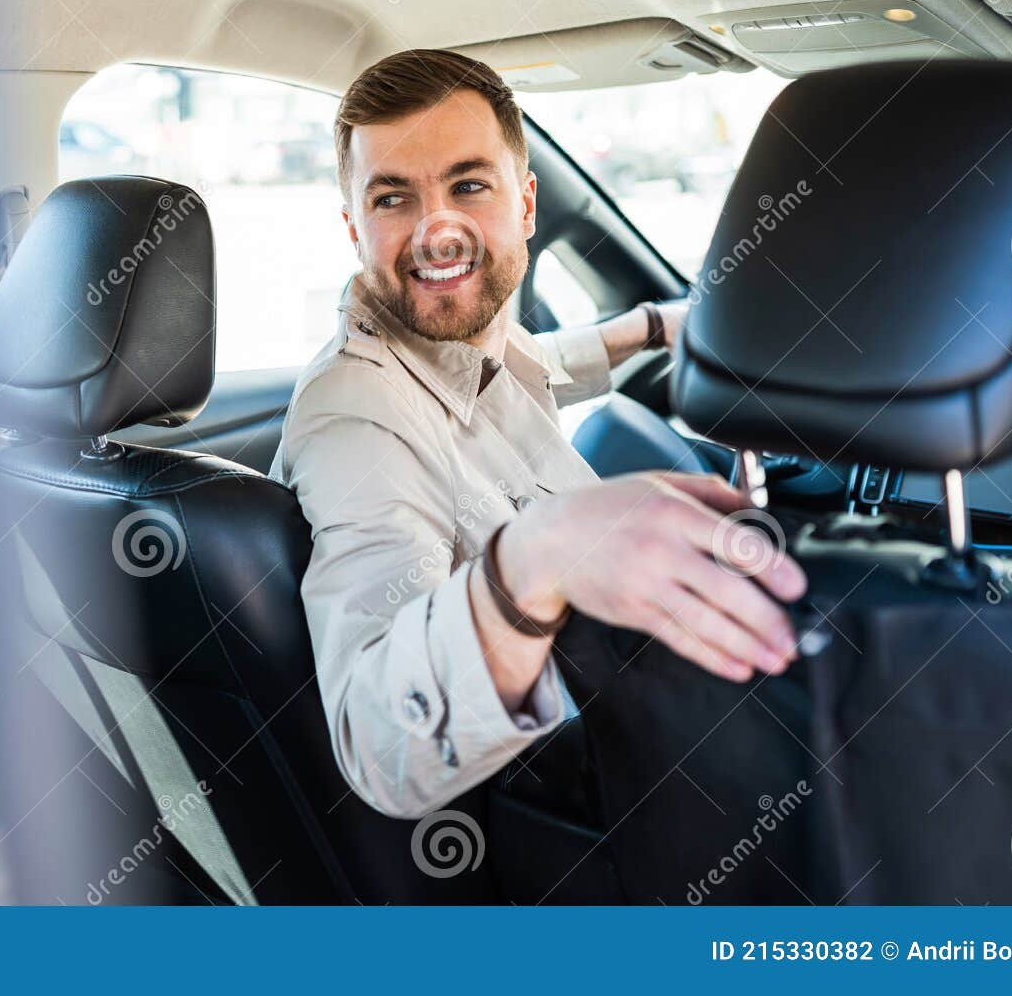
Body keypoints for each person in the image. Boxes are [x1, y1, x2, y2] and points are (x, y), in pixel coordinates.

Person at [269, 49, 806, 819]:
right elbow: (381, 746)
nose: (437, 233)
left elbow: (523, 368)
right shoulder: (356, 421)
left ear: (525, 206)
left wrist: (650, 327)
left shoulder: (449, 348)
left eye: (467, 185)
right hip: (592, 813)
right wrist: (529, 562)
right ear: (356, 227)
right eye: (393, 198)